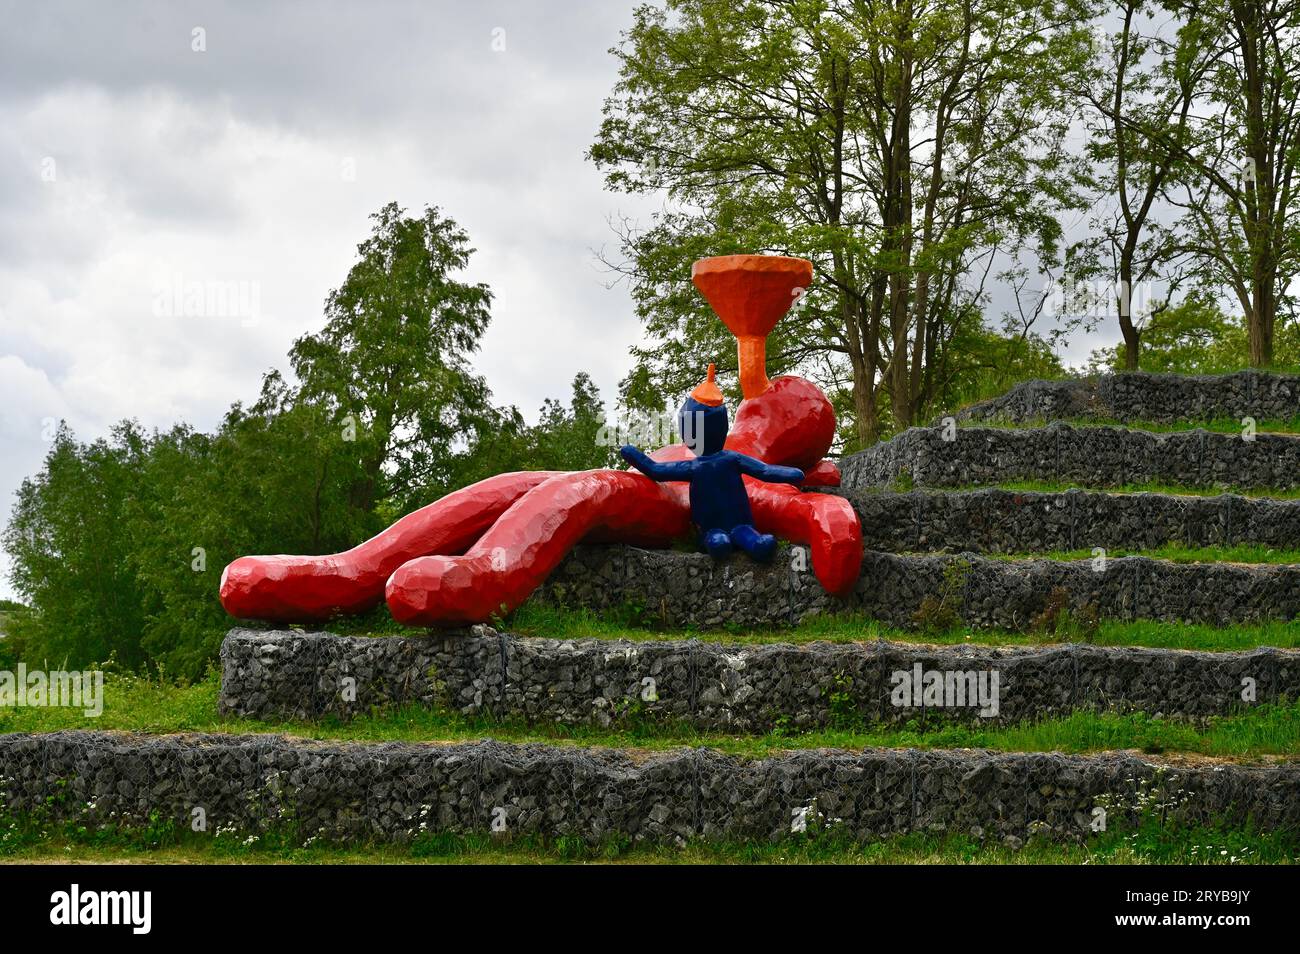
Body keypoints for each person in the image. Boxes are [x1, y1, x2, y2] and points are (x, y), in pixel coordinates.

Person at [620, 364, 804, 561]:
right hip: (715, 527)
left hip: (736, 523)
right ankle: (734, 542)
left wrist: (631, 453)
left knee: (740, 536)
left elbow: (655, 470)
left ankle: (745, 542)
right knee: (722, 539)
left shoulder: (702, 465)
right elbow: (765, 471)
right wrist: (794, 474)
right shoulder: (725, 460)